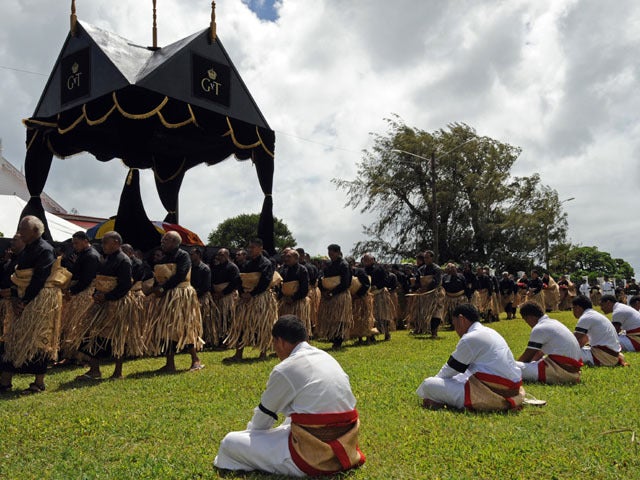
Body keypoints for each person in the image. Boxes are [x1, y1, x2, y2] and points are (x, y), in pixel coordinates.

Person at [214, 315, 366, 476]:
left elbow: (264, 417)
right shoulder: (326, 357)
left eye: (274, 343)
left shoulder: (285, 368)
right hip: (344, 447)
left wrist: (251, 437)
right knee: (289, 420)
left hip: (309, 457)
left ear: (280, 341)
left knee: (230, 442)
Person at [0, 216, 71, 394]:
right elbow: (18, 275)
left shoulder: (45, 250)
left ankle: (38, 382)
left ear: (35, 231)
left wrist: (24, 301)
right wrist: (16, 297)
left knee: (38, 339)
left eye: (23, 229)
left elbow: (39, 279)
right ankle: (5, 380)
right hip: (24, 298)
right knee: (14, 337)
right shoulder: (27, 249)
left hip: (39, 301)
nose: (20, 232)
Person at [416, 303, 525, 411]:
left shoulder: (470, 338)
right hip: (513, 390)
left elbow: (449, 370)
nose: (456, 331)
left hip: (492, 393)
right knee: (459, 376)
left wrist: (433, 389)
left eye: (455, 325)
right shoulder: (490, 332)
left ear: (461, 319)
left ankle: (438, 398)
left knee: (428, 384)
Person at [75, 231, 142, 379]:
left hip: (116, 303)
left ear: (116, 243)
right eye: (103, 242)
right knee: (91, 333)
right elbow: (99, 280)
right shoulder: (105, 259)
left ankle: (117, 372)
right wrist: (96, 294)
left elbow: (125, 285)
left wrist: (107, 296)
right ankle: (94, 370)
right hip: (101, 303)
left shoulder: (123, 260)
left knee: (117, 337)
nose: (103, 245)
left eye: (106, 242)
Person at [147, 231, 204, 372]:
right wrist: (154, 289)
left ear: (174, 242)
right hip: (166, 296)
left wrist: (163, 288)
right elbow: (159, 277)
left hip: (180, 295)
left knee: (184, 326)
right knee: (167, 328)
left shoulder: (183, 256)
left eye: (165, 240)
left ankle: (195, 360)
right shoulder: (164, 257)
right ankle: (170, 363)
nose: (162, 242)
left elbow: (180, 275)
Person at [225, 238, 278, 361]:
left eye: (253, 247)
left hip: (260, 299)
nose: (250, 249)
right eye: (249, 247)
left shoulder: (266, 263)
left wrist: (252, 294)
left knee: (262, 325)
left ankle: (263, 353)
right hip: (245, 299)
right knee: (241, 325)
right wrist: (243, 293)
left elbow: (265, 281)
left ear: (260, 248)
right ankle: (238, 354)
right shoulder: (246, 264)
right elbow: (239, 280)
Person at [515, 301, 583, 384]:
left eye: (526, 320)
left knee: (512, 367)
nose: (528, 323)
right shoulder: (553, 322)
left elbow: (527, 356)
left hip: (560, 371)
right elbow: (539, 353)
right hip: (574, 373)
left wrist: (515, 366)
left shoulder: (539, 328)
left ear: (529, 317)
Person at [59, 231, 101, 360]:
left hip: (84, 293)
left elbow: (86, 279)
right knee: (70, 324)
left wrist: (72, 291)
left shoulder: (91, 256)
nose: (74, 246)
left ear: (85, 241)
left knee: (77, 325)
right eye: (73, 244)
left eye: (76, 243)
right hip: (78, 291)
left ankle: (76, 355)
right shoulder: (83, 254)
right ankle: (69, 354)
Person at [571, 295, 627, 366]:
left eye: (573, 308)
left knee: (568, 353)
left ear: (578, 308)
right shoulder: (593, 314)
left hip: (603, 356)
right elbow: (583, 340)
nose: (573, 311)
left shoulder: (586, 317)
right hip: (612, 355)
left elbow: (573, 340)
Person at [317, 244, 353, 349]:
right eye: (329, 253)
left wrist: (332, 293)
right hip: (328, 295)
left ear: (338, 252)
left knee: (339, 319)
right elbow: (322, 278)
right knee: (330, 318)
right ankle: (332, 337)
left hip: (340, 295)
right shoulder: (329, 265)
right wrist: (324, 291)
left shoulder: (344, 265)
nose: (330, 255)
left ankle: (338, 340)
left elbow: (345, 283)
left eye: (332, 253)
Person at [407, 250, 443, 335]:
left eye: (427, 257)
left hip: (434, 294)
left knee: (435, 313)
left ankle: (434, 331)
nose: (426, 259)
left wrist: (427, 288)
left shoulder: (437, 269)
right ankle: (419, 328)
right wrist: (418, 287)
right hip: (423, 294)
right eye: (425, 258)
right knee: (420, 312)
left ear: (432, 258)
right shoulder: (421, 269)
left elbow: (436, 282)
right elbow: (417, 280)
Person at [211, 248, 240, 347]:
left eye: (222, 255)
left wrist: (223, 293)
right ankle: (219, 339)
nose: (220, 257)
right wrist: (214, 293)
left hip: (228, 296)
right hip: (217, 296)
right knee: (218, 319)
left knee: (228, 318)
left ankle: (229, 340)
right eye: (219, 255)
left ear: (227, 256)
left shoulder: (233, 267)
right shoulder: (216, 267)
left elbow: (234, 283)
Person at [277, 249, 311, 335]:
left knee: (297, 325)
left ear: (296, 258)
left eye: (289, 257)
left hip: (297, 302)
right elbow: (280, 286)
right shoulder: (283, 270)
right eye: (286, 257)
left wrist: (293, 298)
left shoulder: (302, 270)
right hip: (285, 302)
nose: (286, 259)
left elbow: (304, 288)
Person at [190, 247, 216, 349]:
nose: (190, 256)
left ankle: (205, 341)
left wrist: (196, 294)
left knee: (204, 320)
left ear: (198, 255)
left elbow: (206, 286)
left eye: (192, 254)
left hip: (202, 297)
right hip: (192, 297)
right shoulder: (190, 268)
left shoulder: (205, 268)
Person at [441, 263, 467, 328]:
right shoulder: (445, 277)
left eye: (454, 268)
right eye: (451, 269)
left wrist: (467, 296)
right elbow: (443, 287)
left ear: (456, 269)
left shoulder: (461, 276)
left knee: (460, 311)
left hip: (460, 297)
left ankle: (461, 324)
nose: (452, 270)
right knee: (451, 312)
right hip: (449, 297)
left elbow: (465, 287)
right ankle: (452, 324)